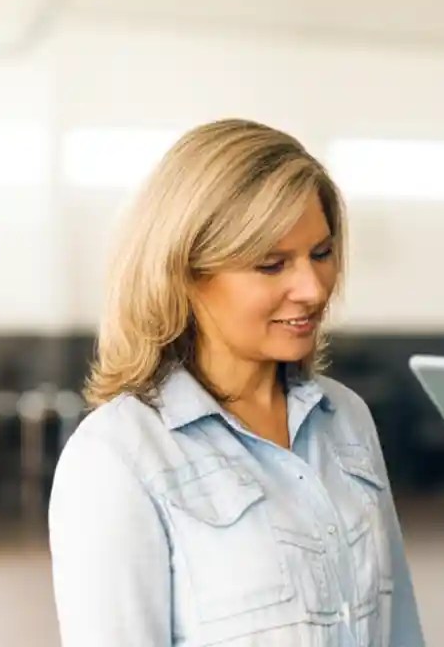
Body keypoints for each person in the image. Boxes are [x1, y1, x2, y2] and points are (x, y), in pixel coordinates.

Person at [49, 119, 425, 646]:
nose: (313, 289)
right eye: (272, 265)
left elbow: (400, 630)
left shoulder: (346, 419)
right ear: (184, 272)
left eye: (321, 254)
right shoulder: (118, 456)